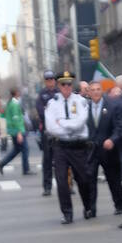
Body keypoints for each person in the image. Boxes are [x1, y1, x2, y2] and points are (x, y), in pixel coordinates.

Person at [44, 71, 93, 223]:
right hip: (60, 147)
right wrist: (69, 126)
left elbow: (80, 123)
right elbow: (51, 127)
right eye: (63, 84)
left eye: (69, 84)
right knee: (61, 181)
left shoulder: (80, 101)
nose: (66, 87)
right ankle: (67, 213)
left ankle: (87, 206)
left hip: (78, 146)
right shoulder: (52, 104)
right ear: (58, 85)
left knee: (83, 179)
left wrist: (63, 123)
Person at [86, 78, 122, 216]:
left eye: (98, 89)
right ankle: (91, 209)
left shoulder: (111, 105)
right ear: (89, 93)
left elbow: (119, 127)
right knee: (90, 180)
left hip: (108, 149)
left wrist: (112, 140)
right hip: (91, 150)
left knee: (113, 179)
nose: (96, 92)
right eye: (93, 90)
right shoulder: (84, 107)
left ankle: (119, 204)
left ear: (102, 91)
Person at [35, 70, 59, 195]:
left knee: (62, 159)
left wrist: (49, 110)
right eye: (47, 80)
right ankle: (47, 187)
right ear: (45, 81)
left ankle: (67, 185)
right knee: (47, 161)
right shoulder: (42, 94)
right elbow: (41, 112)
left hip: (60, 131)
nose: (50, 82)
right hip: (47, 132)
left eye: (52, 79)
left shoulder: (59, 93)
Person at [0, 87, 30, 175]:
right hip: (18, 130)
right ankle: (26, 169)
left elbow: (3, 115)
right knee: (25, 149)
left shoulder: (9, 104)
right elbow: (16, 118)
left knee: (16, 150)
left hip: (12, 130)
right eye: (18, 92)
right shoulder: (15, 104)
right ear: (16, 93)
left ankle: (2, 163)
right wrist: (19, 132)